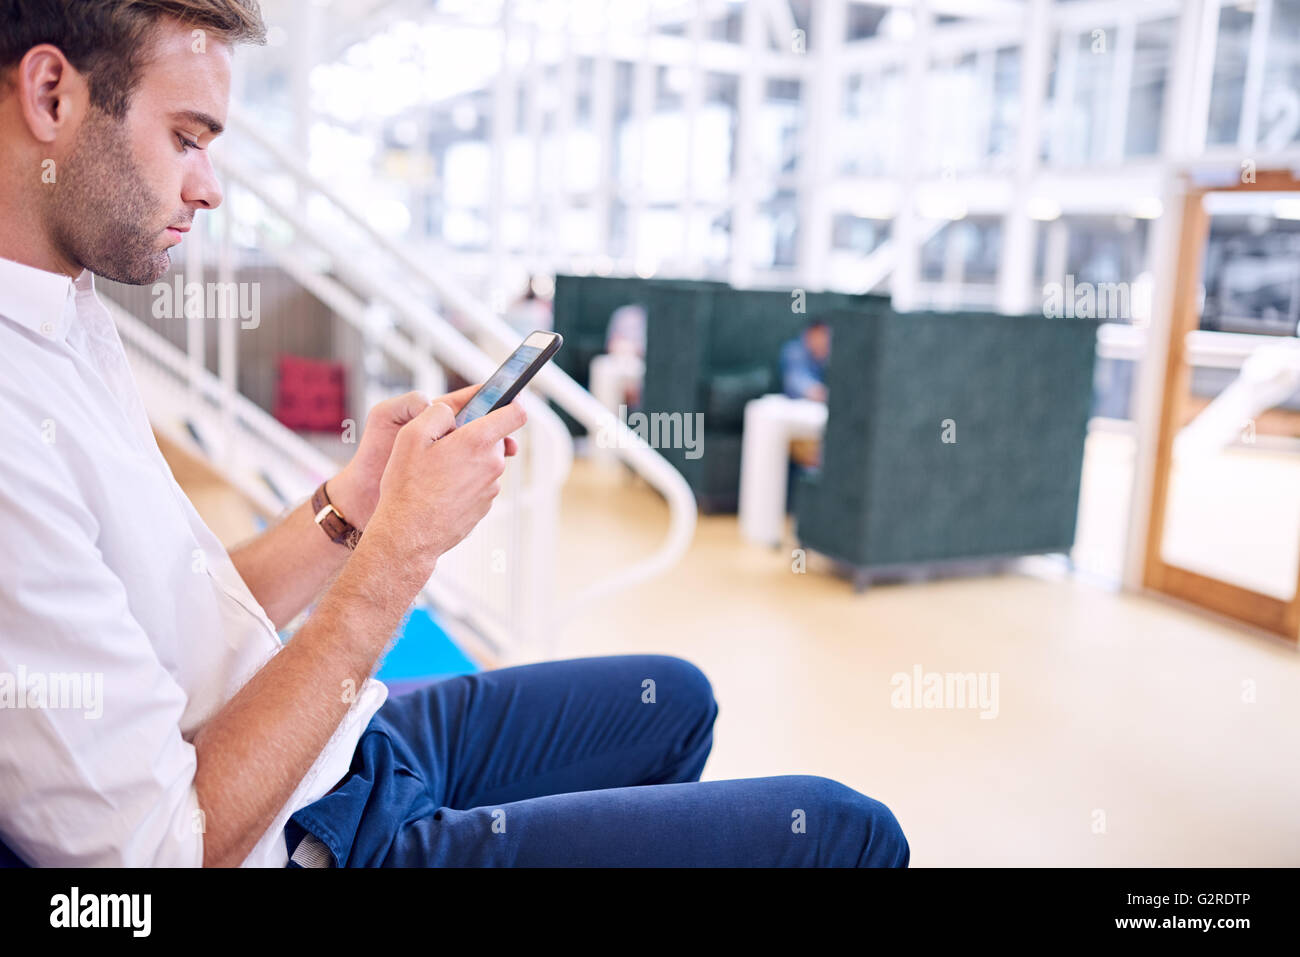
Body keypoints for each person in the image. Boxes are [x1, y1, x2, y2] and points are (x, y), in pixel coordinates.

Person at [0, 0, 908, 868]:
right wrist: (401, 553)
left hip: (333, 747)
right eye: (187, 138)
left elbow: (177, 607)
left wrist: (353, 507)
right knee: (845, 832)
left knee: (675, 700)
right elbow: (160, 855)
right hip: (308, 836)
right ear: (51, 95)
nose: (211, 188)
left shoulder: (68, 311)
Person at [780, 319, 831, 470]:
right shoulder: (795, 352)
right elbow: (798, 383)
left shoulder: (828, 357)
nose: (822, 342)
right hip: (796, 430)